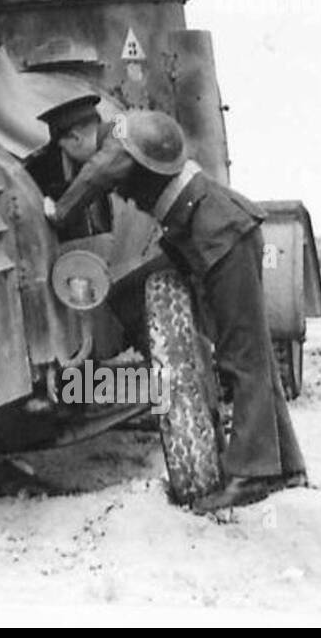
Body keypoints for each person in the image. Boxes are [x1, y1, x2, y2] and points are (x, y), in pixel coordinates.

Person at [50, 109, 307, 511]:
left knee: (243, 356)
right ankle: (287, 466)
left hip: (222, 234)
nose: (72, 158)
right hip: (203, 233)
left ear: (80, 133)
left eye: (66, 145)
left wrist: (58, 212)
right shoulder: (125, 136)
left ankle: (252, 474)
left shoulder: (119, 135)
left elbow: (97, 172)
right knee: (244, 349)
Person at [27, 94, 114, 238]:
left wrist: (57, 213)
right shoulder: (118, 130)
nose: (67, 158)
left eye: (65, 149)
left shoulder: (113, 151)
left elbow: (97, 173)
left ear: (76, 138)